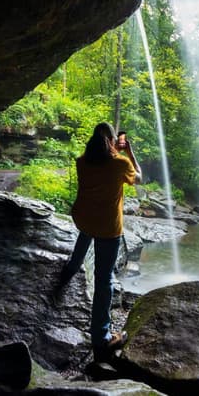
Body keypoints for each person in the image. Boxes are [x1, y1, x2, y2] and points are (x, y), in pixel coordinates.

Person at [53, 122, 142, 361]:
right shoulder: (120, 164)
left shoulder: (82, 162)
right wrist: (129, 153)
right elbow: (139, 178)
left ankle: (71, 269)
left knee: (86, 234)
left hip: (83, 218)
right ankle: (101, 338)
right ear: (114, 142)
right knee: (104, 280)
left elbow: (96, 164)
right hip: (107, 228)